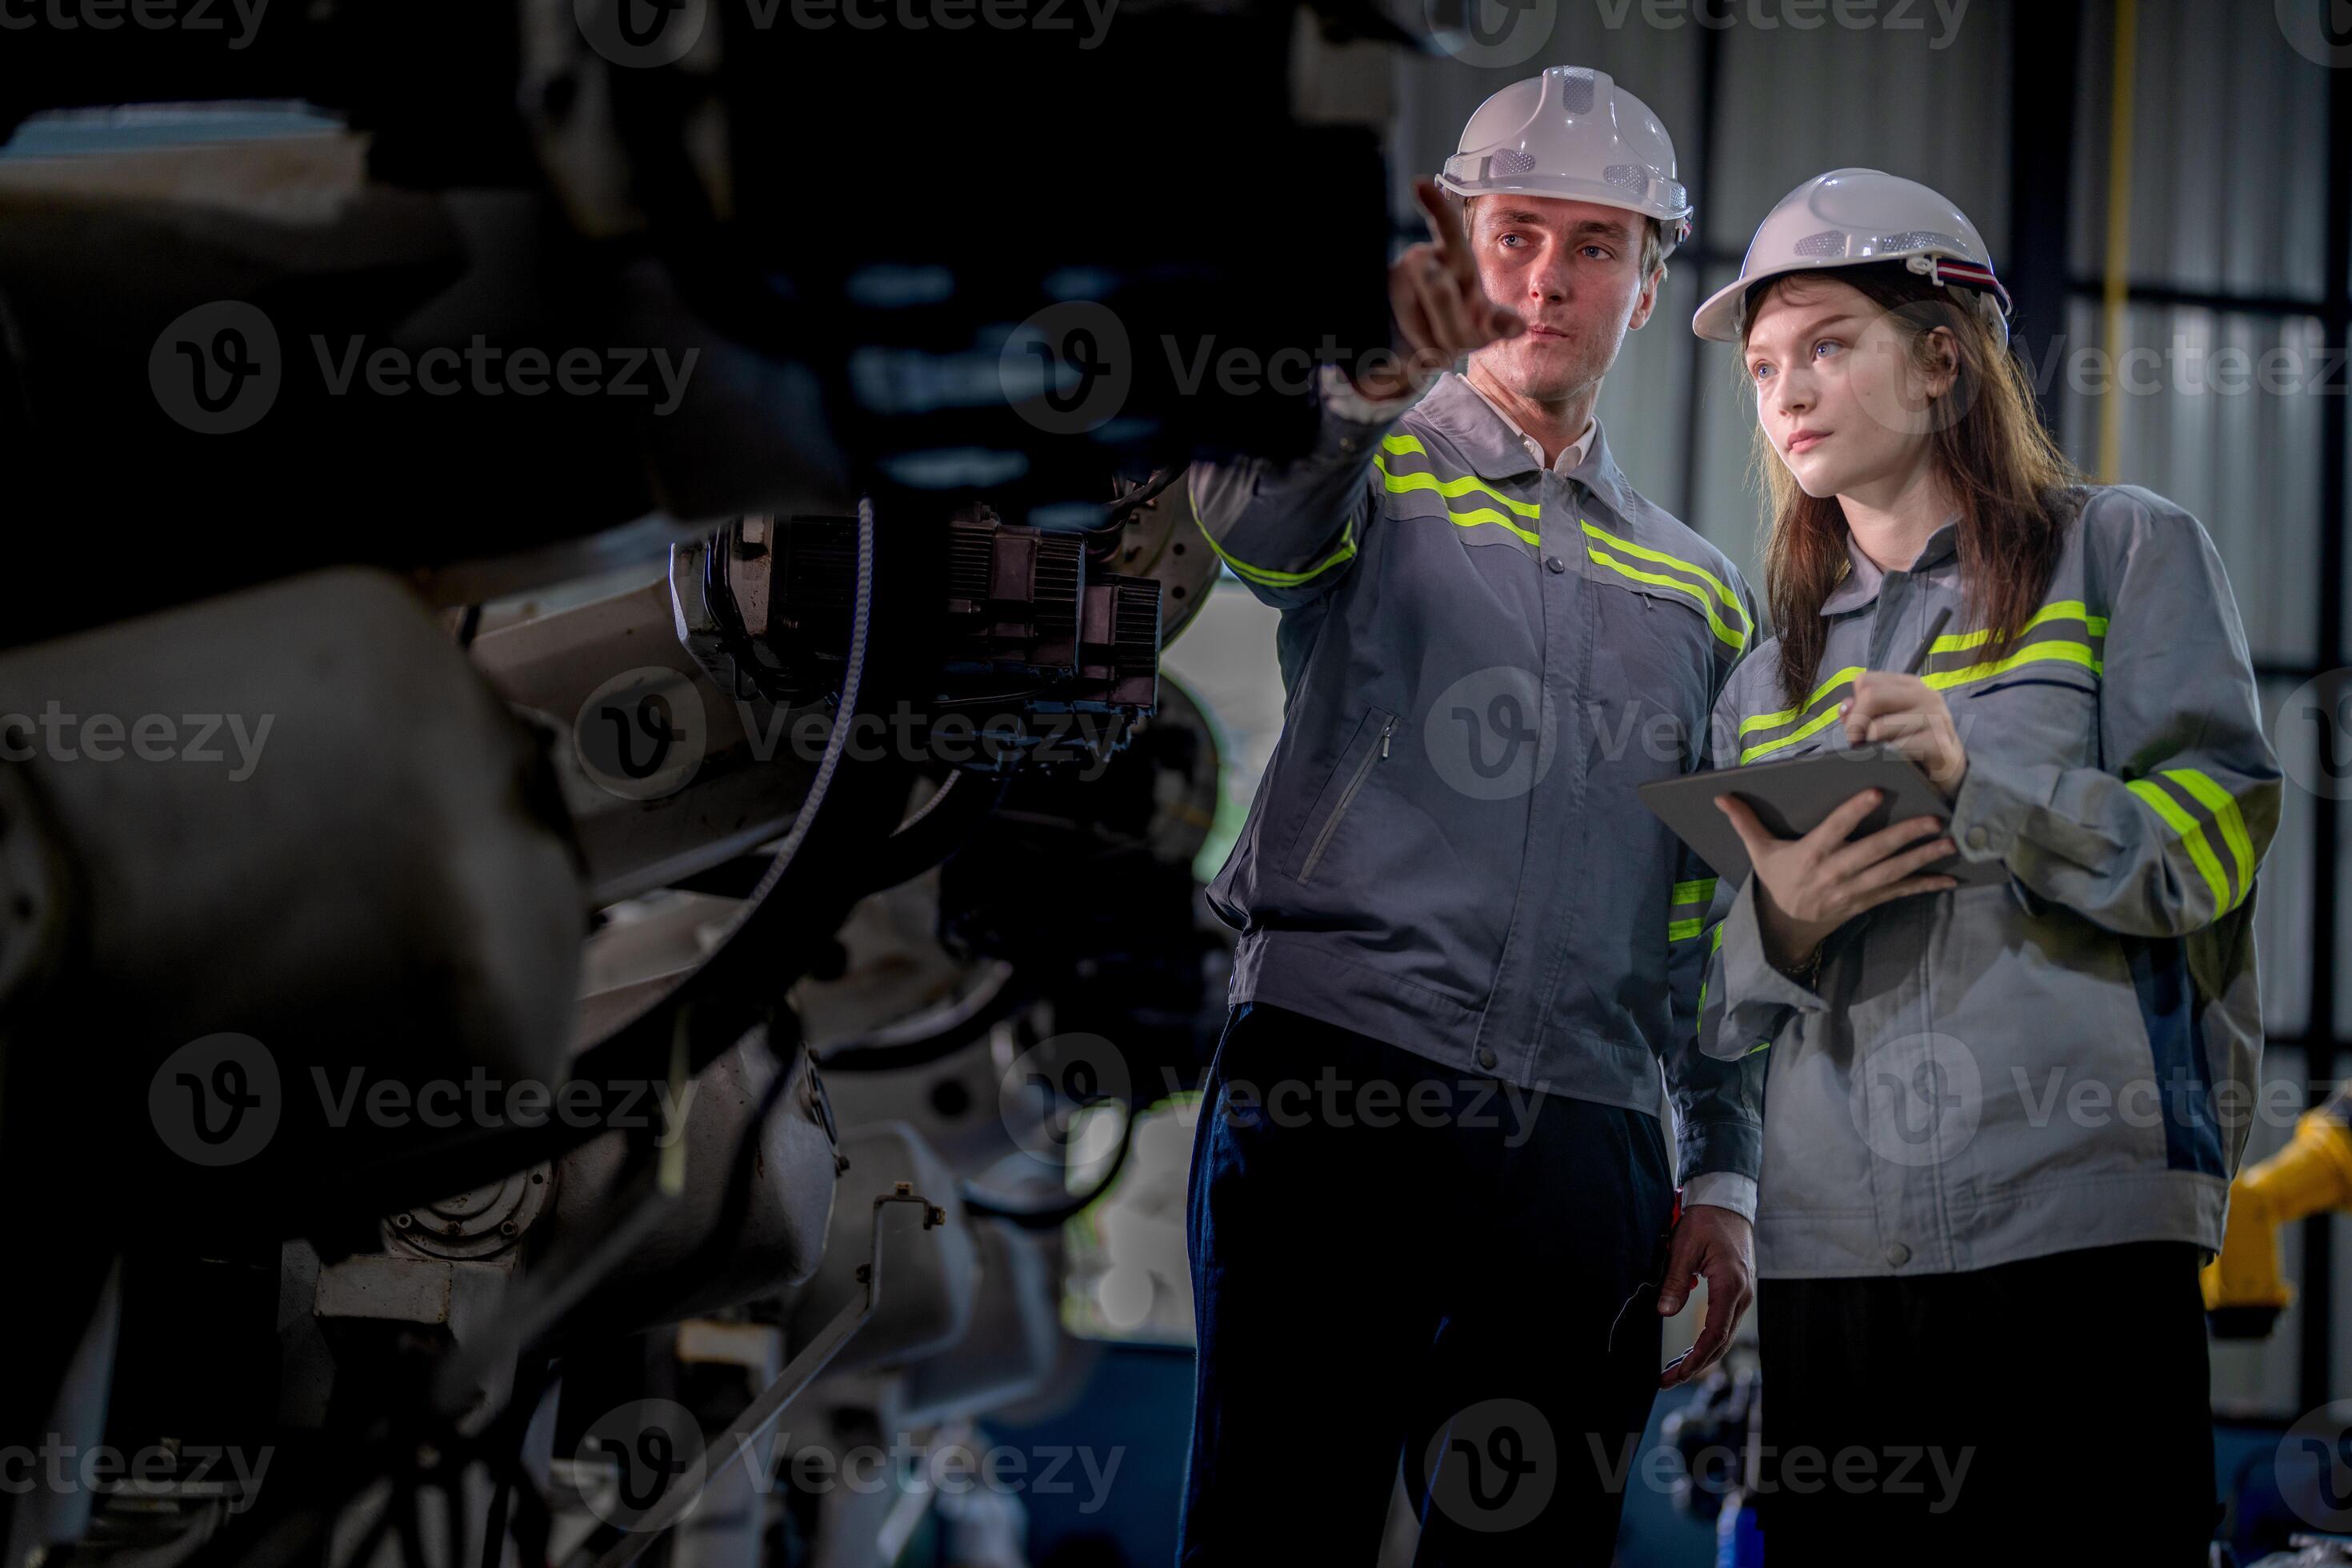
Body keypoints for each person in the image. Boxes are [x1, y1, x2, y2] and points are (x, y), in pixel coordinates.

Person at [1178, 66, 1765, 1562]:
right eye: (1515, 235)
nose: (1548, 279)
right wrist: (1373, 380)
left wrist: (1723, 1168)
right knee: (1276, 1528)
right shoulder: (1376, 463)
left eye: (1595, 245)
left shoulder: (1701, 586)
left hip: (1585, 1134)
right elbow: (1248, 522)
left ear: (1649, 285)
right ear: (1455, 248)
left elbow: (1706, 905)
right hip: (1338, 1081)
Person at [1687, 167, 2282, 1564]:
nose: (1787, 391)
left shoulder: (2122, 555)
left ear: (1945, 358)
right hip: (1835, 1263)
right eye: (1767, 364)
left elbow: (2213, 845)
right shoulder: (1764, 680)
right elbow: (1700, 1002)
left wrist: (1985, 785)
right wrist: (1776, 928)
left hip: (2076, 1231)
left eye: (1830, 344)